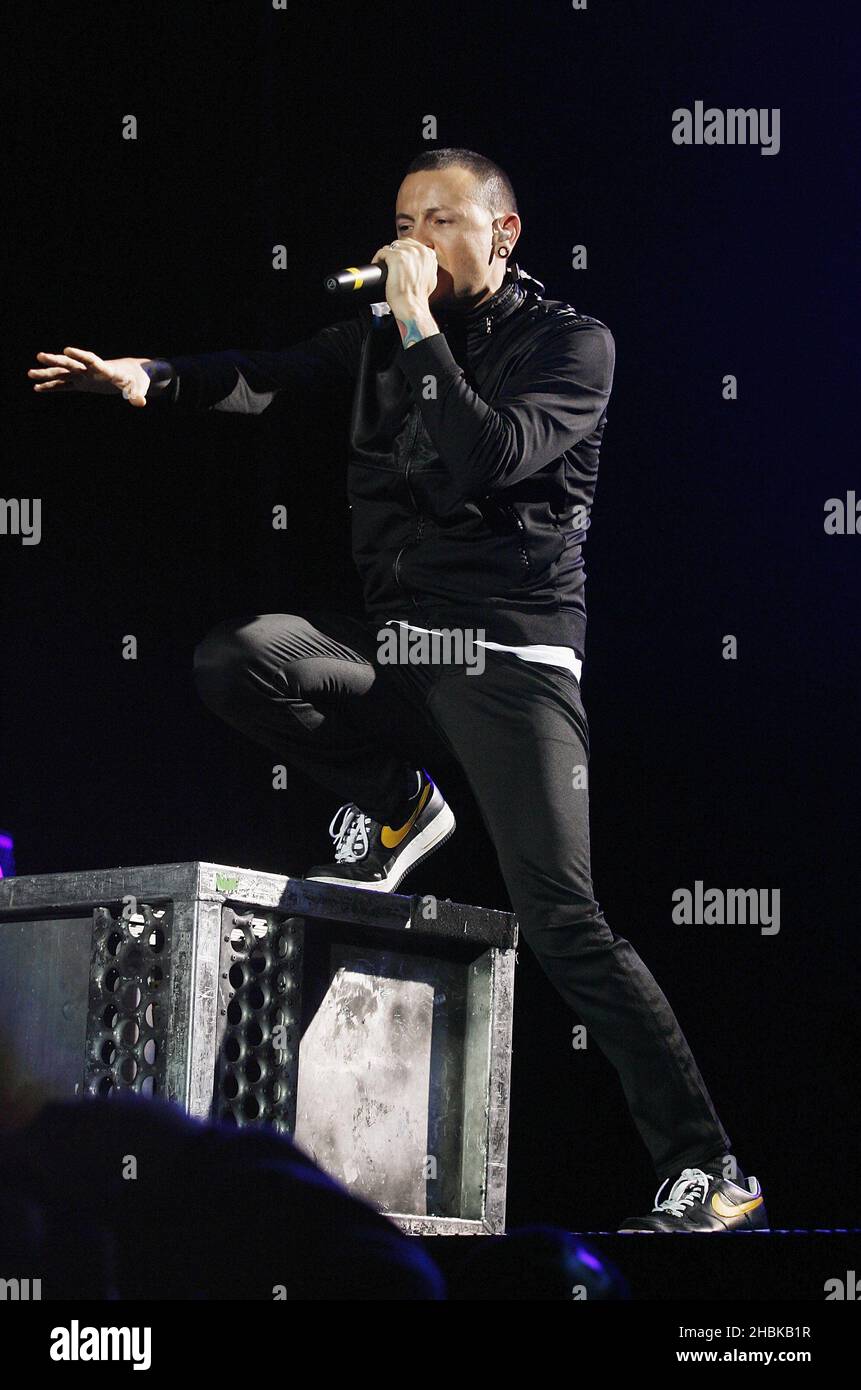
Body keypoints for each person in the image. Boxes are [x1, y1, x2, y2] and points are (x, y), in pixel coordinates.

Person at [28, 147, 768, 1233]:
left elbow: (484, 457)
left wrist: (420, 328)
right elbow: (275, 372)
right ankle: (401, 802)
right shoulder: (376, 341)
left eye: (440, 219)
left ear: (503, 233)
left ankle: (711, 1166)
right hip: (401, 648)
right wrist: (156, 379)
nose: (411, 240)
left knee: (564, 919)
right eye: (401, 220)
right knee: (241, 657)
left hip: (510, 661)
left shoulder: (572, 344)